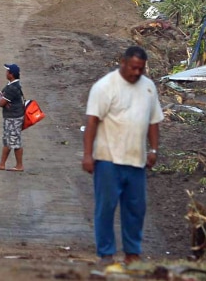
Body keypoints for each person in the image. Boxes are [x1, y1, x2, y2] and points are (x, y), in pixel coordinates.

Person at [82, 46, 163, 269]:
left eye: (141, 69)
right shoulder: (105, 87)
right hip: (108, 159)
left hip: (136, 160)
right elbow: (92, 123)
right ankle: (106, 253)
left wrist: (154, 150)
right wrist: (88, 155)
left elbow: (153, 121)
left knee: (136, 208)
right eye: (133, 68)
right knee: (106, 207)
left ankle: (132, 253)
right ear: (123, 62)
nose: (137, 73)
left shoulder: (148, 87)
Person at [0, 63, 25, 172]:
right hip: (11, 117)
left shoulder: (12, 87)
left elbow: (1, 101)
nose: (5, 73)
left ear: (11, 74)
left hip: (13, 118)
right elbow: (0, 96)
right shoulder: (12, 85)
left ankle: (19, 165)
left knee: (15, 142)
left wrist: (3, 102)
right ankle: (2, 164)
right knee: (8, 141)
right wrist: (3, 101)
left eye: (7, 71)